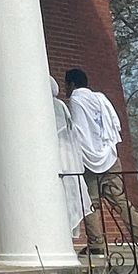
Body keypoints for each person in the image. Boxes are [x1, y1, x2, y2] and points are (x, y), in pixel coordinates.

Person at [64, 67, 138, 244]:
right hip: (110, 157)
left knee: (90, 202)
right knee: (119, 199)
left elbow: (79, 130)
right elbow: (113, 124)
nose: (66, 90)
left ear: (71, 84)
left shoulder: (76, 100)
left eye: (66, 85)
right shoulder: (100, 98)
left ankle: (97, 244)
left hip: (88, 160)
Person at [50, 76, 90, 255]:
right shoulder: (62, 106)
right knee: (66, 198)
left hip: (57, 156)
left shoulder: (51, 107)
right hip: (68, 158)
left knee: (60, 196)